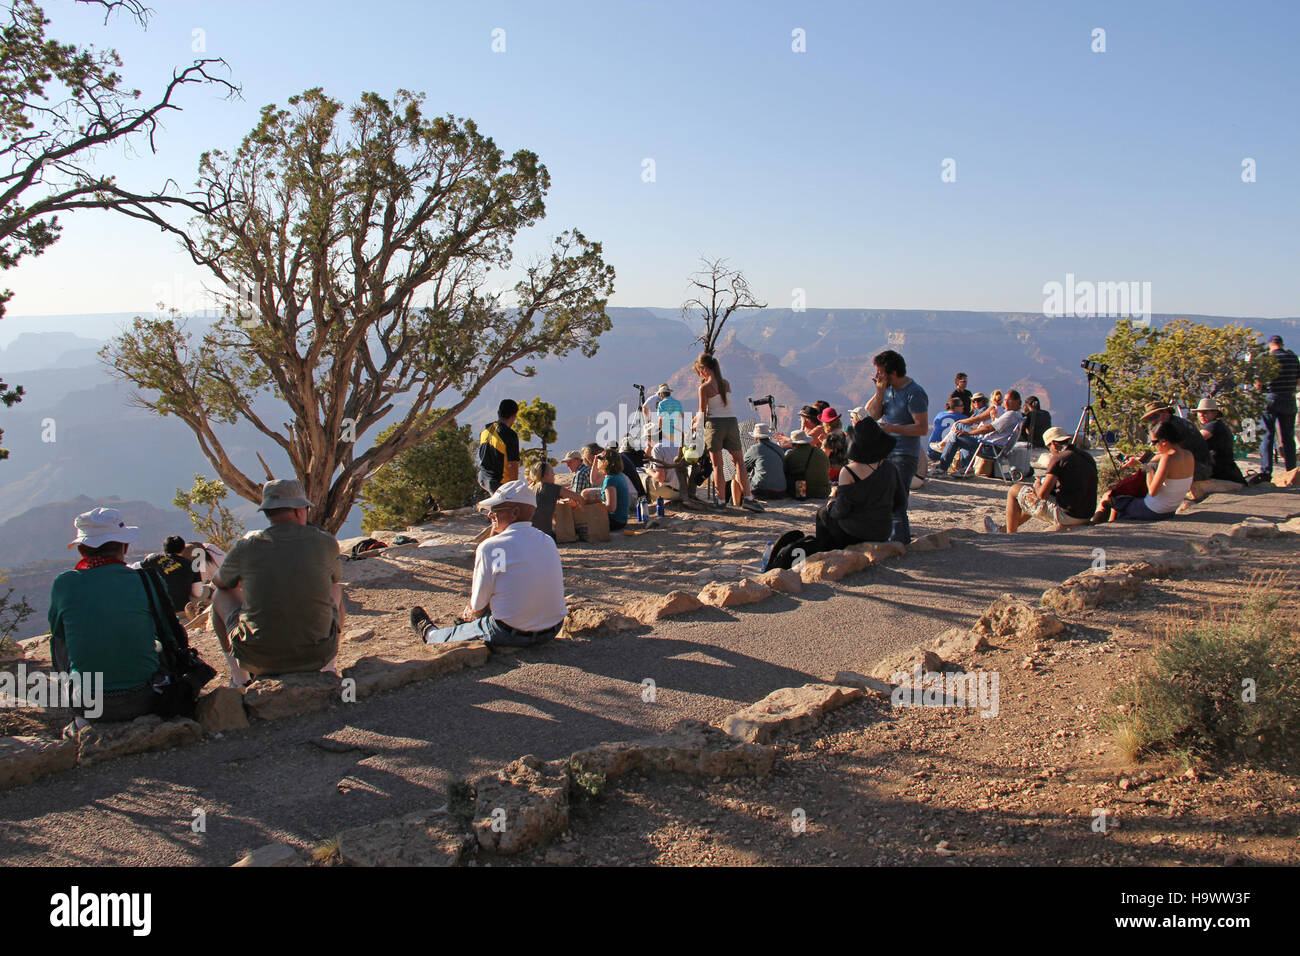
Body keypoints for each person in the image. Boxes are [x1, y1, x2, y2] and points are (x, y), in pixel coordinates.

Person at [211, 480, 344, 686]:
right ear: (300, 510)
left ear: (268, 513)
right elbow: (334, 578)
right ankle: (328, 668)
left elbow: (219, 582)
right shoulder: (325, 542)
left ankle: (240, 680)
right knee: (335, 589)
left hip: (257, 658)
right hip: (317, 654)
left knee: (219, 595)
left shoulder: (247, 546)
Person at [409, 480, 566, 647]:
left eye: (495, 510)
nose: (490, 515)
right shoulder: (547, 540)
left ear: (515, 512)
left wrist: (471, 614)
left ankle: (431, 635)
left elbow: (478, 603)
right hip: (552, 629)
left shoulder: (491, 547)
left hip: (510, 633)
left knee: (476, 624)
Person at [48, 508, 167, 723]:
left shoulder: (63, 584)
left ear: (81, 550)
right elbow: (167, 629)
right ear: (125, 546)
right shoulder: (146, 580)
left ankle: (76, 714)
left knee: (58, 638)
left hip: (89, 704)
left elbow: (59, 634)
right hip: (146, 698)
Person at [765, 418, 905, 570]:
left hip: (856, 533)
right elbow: (900, 502)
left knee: (823, 513)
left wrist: (832, 505)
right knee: (827, 514)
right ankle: (824, 548)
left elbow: (841, 510)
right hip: (883, 531)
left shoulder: (850, 470)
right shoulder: (891, 468)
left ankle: (825, 552)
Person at [865, 349, 928, 544]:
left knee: (897, 498)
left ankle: (900, 541)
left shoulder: (914, 393)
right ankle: (890, 537)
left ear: (892, 372)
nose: (876, 376)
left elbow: (922, 428)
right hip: (886, 451)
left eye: (880, 372)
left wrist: (893, 428)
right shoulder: (887, 389)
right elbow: (873, 414)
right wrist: (879, 392)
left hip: (904, 453)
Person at [694, 352, 763, 512]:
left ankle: (721, 501)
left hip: (715, 425)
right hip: (732, 423)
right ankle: (748, 498)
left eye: (700, 371)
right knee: (739, 462)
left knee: (718, 465)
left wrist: (695, 425)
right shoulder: (726, 384)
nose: (700, 374)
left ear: (704, 368)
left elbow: (702, 412)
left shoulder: (704, 388)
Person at [1093, 422, 1194, 522]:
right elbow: (1158, 457)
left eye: (1154, 442)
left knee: (1108, 497)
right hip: (1170, 510)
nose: (1152, 445)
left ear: (1164, 442)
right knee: (1121, 500)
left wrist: (1149, 468)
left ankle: (1096, 526)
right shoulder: (1188, 454)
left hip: (1152, 510)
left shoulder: (1167, 458)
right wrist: (1139, 460)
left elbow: (1153, 492)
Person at [1003, 427, 1097, 532]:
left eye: (1049, 447)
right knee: (1029, 501)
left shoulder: (1059, 458)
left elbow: (1042, 495)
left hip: (1068, 515)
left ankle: (1010, 533)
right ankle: (1003, 529)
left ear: (1054, 444)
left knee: (1015, 490)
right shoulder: (1086, 456)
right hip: (1086, 514)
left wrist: (1037, 485)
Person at [935, 390, 1024, 475]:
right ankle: (966, 468)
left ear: (1017, 401)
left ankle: (942, 469)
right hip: (995, 447)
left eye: (1009, 400)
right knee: (962, 433)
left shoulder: (1010, 414)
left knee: (956, 436)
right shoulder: (1017, 415)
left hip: (990, 448)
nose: (1006, 402)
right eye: (1005, 400)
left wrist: (970, 433)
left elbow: (989, 427)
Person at [1255, 334, 1299, 482]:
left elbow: (1259, 384)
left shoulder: (1267, 360)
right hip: (1288, 399)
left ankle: (1266, 471)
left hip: (1271, 398)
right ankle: (1292, 469)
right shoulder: (1292, 358)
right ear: (1282, 343)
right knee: (1288, 437)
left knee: (1267, 435)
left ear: (1270, 345)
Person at [1138, 401, 1212, 481]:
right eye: (1149, 419)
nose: (1153, 421)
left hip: (1199, 469)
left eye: (1155, 416)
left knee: (1151, 467)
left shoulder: (1175, 427)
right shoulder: (1171, 423)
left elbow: (1172, 454)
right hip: (1195, 466)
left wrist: (1143, 460)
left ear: (1166, 412)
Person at [139, 535, 199, 615]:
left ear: (164, 548)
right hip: (182, 608)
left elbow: (132, 568)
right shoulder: (192, 565)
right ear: (182, 549)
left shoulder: (153, 559)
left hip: (159, 608)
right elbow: (198, 593)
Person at [528, 461, 583, 539]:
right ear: (544, 475)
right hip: (544, 533)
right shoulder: (550, 487)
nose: (554, 475)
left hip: (530, 531)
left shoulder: (531, 487)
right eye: (551, 472)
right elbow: (578, 498)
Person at [1195, 398, 1245, 483]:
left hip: (1221, 474)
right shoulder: (1218, 425)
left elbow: (1195, 440)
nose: (1202, 415)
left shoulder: (1214, 426)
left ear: (1215, 413)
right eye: (1200, 412)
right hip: (1226, 472)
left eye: (1205, 412)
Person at [476, 399, 521, 494]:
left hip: (483, 478)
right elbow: (513, 465)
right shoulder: (509, 434)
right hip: (498, 483)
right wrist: (515, 489)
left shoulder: (486, 430)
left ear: (498, 413)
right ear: (514, 416)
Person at [783, 429, 831, 499]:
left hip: (803, 492)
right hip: (823, 492)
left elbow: (784, 472)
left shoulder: (791, 455)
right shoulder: (820, 452)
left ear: (794, 444)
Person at [745, 423, 787, 499]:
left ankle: (737, 503)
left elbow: (743, 467)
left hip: (761, 491)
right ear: (768, 437)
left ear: (755, 438)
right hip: (781, 491)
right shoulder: (778, 448)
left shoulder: (755, 448)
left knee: (737, 476)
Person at [598, 447, 634, 530]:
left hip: (615, 521)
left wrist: (596, 506)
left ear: (604, 462)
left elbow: (611, 507)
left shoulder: (610, 480)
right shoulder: (619, 475)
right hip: (622, 520)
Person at [926, 396, 966, 460]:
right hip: (948, 453)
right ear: (956, 407)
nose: (963, 407)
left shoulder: (939, 415)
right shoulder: (963, 418)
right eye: (962, 405)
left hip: (932, 450)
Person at [820, 408, 848, 481]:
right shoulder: (843, 435)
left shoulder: (829, 438)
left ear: (826, 423)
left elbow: (824, 457)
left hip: (832, 472)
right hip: (844, 471)